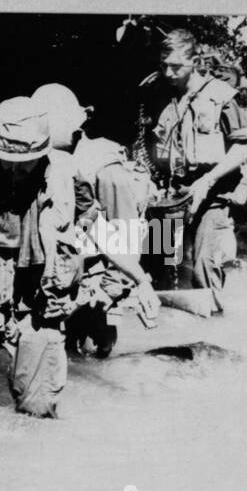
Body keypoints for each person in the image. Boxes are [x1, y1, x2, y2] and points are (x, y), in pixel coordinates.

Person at [0, 96, 82, 418]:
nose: (14, 168)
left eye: (25, 162)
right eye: (5, 159)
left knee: (36, 411)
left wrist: (131, 282)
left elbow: (98, 228)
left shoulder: (68, 176)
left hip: (36, 313)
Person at [31, 83, 160, 356]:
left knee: (91, 357)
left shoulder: (105, 167)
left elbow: (124, 235)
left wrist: (109, 291)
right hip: (64, 277)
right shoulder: (48, 160)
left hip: (98, 283)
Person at [148, 28, 247, 307]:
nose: (168, 73)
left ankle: (214, 340)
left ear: (194, 62)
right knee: (160, 268)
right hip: (171, 198)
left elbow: (244, 146)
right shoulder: (159, 94)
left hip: (214, 196)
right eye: (163, 66)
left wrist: (208, 180)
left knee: (204, 268)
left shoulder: (223, 97)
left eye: (175, 66)